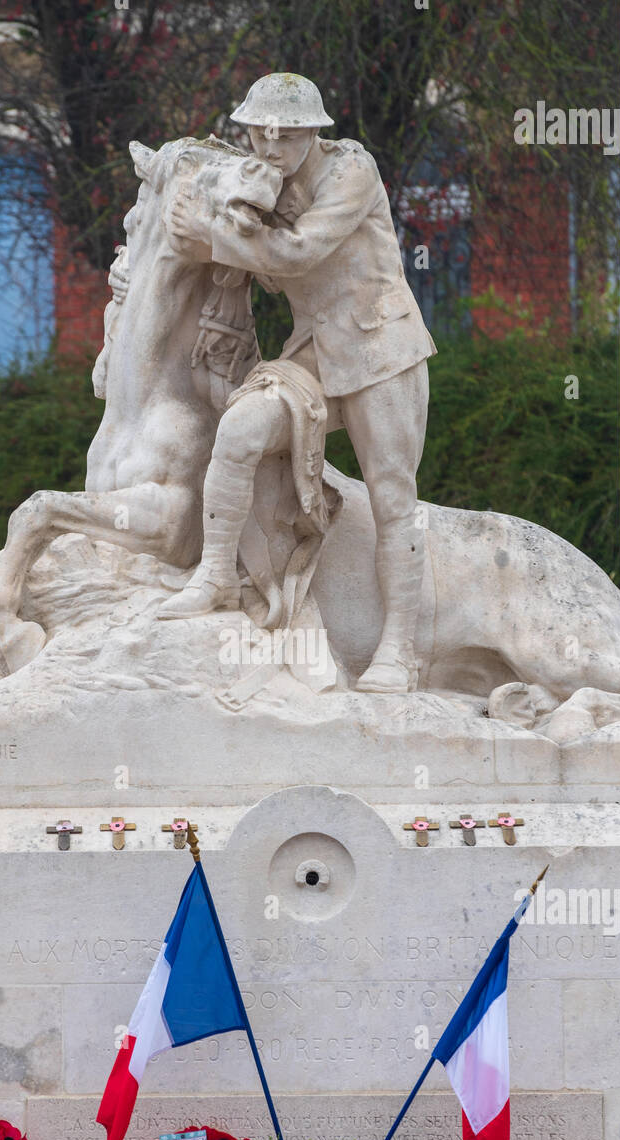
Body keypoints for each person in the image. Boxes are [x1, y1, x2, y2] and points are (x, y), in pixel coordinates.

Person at [159, 73, 436, 694]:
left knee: (394, 500)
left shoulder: (351, 172)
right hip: (312, 352)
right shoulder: (265, 182)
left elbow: (297, 253)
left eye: (284, 133)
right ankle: (215, 578)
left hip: (378, 347)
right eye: (259, 132)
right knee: (239, 428)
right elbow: (246, 249)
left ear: (314, 131)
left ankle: (399, 651)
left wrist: (209, 239)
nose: (270, 144)